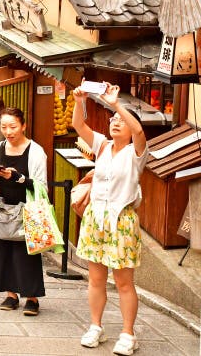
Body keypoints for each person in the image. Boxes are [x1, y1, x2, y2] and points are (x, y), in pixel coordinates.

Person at [72, 82, 148, 355]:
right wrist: (80, 100)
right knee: (95, 279)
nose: (116, 123)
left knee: (124, 282)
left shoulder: (136, 153)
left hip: (122, 219)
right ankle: (96, 326)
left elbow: (139, 131)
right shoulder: (102, 145)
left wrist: (116, 103)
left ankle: (128, 333)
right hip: (96, 218)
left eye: (121, 121)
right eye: (113, 120)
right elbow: (79, 126)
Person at [0, 107, 48, 316]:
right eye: (4, 127)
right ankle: (11, 294)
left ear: (23, 125)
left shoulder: (36, 151)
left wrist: (17, 177)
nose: (8, 131)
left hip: (27, 208)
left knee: (26, 254)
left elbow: (41, 186)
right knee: (3, 250)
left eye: (13, 126)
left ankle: (32, 298)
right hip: (4, 207)